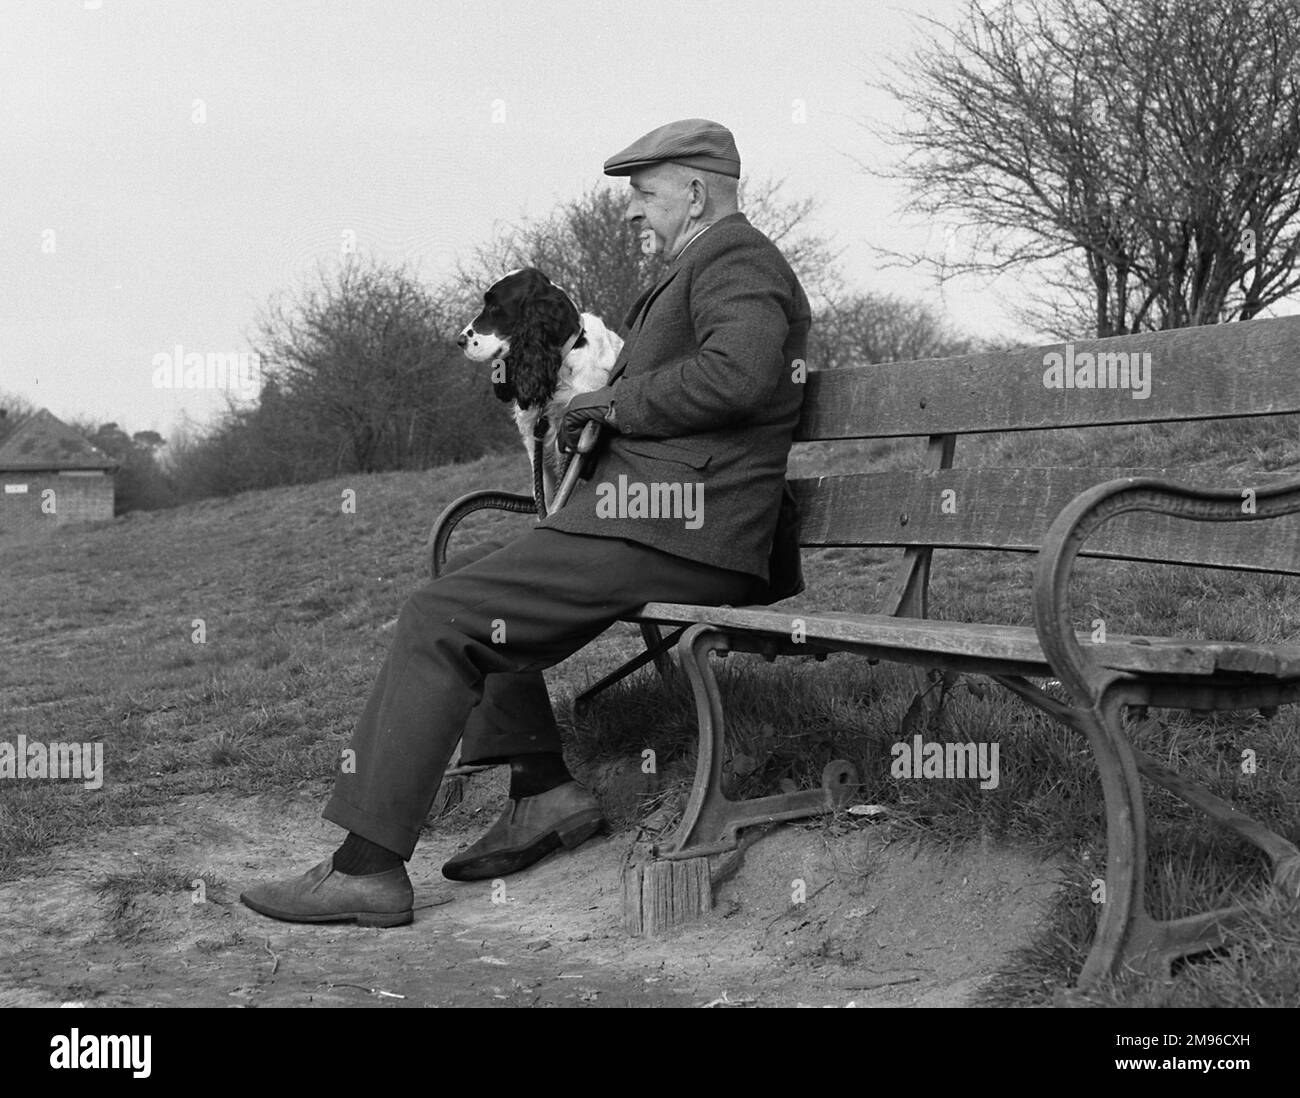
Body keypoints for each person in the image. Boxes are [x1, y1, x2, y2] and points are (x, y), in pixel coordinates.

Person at [240, 118, 812, 926]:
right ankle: (543, 793)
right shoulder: (701, 261)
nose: (635, 212)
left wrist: (603, 402)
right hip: (648, 518)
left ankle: (366, 868)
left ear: (695, 189)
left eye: (645, 194)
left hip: (682, 525)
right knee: (466, 595)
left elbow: (742, 373)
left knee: (440, 617)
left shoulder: (737, 257)